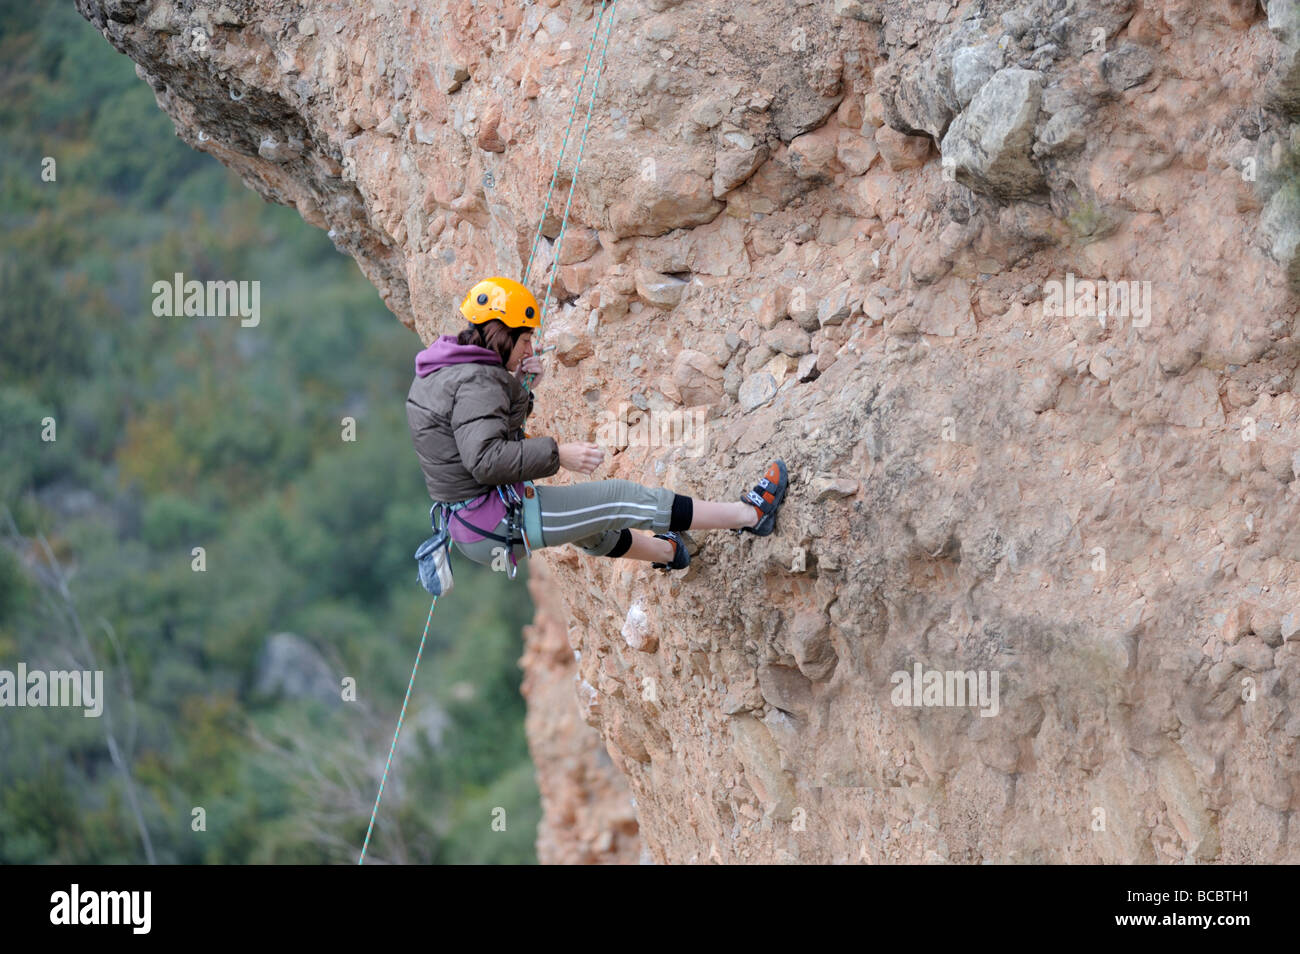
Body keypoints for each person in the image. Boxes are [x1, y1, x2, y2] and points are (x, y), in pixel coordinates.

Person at [405, 277, 789, 573]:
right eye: (525, 340)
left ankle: (671, 552)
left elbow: (481, 431)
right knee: (620, 498)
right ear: (502, 334)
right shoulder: (477, 379)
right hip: (495, 520)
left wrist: (519, 387)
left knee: (588, 525)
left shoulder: (444, 370)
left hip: (471, 525)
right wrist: (560, 455)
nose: (529, 350)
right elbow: (486, 459)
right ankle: (751, 516)